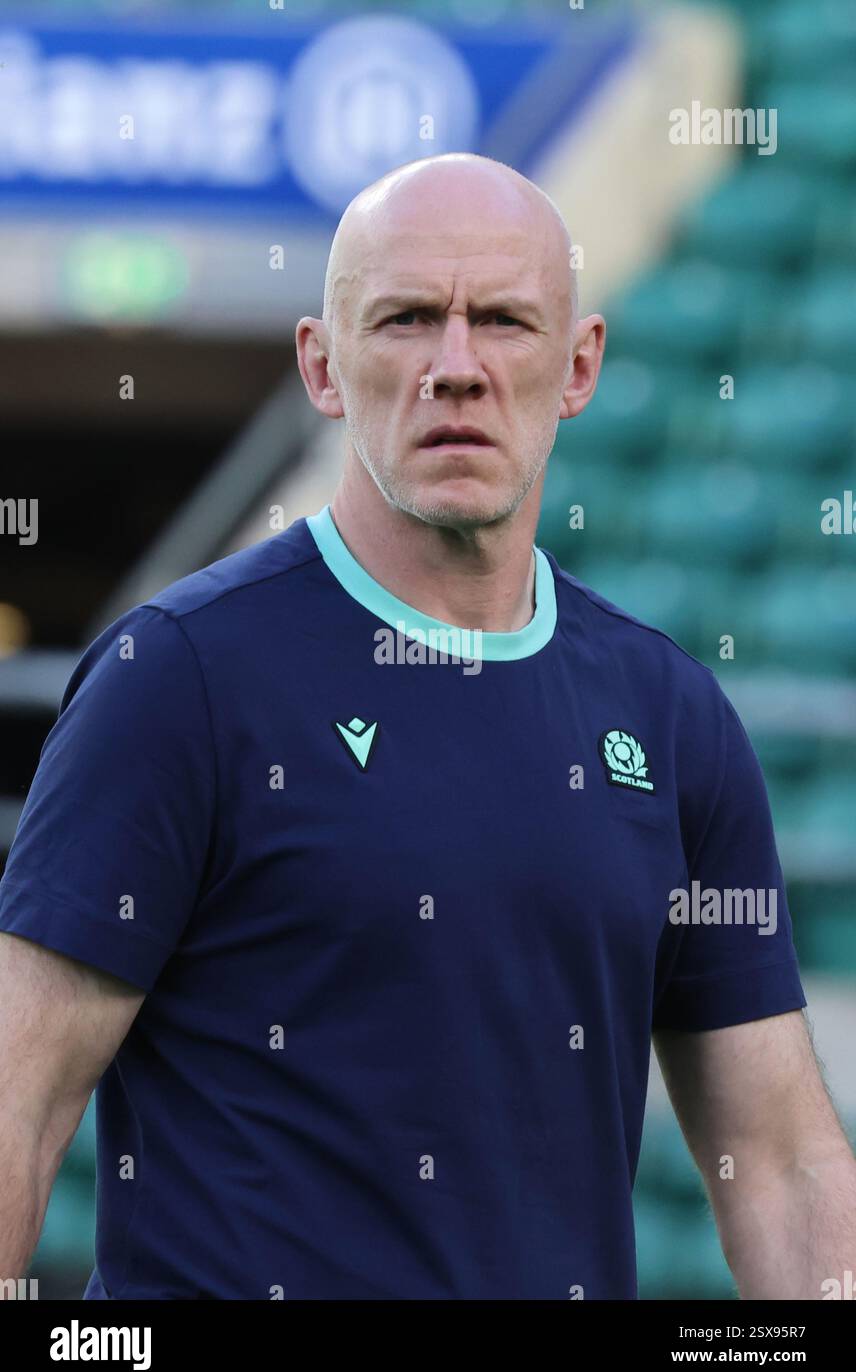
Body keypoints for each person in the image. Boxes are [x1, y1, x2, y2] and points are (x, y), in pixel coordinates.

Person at [1, 153, 853, 1301]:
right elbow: (20, 1093)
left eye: (503, 320)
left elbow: (785, 1163)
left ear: (580, 365)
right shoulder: (181, 678)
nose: (457, 368)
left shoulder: (670, 715)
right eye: (407, 319)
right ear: (323, 364)